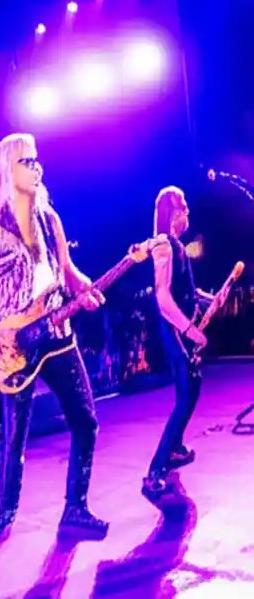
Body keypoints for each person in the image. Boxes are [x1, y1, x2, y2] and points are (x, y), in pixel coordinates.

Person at [0, 133, 110, 543]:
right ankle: (6, 511)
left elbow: (68, 270)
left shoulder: (50, 219)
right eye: (26, 161)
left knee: (86, 421)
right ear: (7, 169)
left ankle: (76, 508)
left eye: (36, 160)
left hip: (57, 331)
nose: (36, 167)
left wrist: (85, 289)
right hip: (16, 343)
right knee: (14, 435)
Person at [142, 186, 212, 499]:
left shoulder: (177, 246)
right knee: (185, 395)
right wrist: (190, 330)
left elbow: (186, 290)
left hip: (179, 329)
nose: (188, 214)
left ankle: (176, 448)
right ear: (173, 213)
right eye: (184, 209)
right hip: (171, 330)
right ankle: (156, 470)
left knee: (192, 387)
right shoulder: (163, 245)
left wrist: (209, 299)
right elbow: (162, 296)